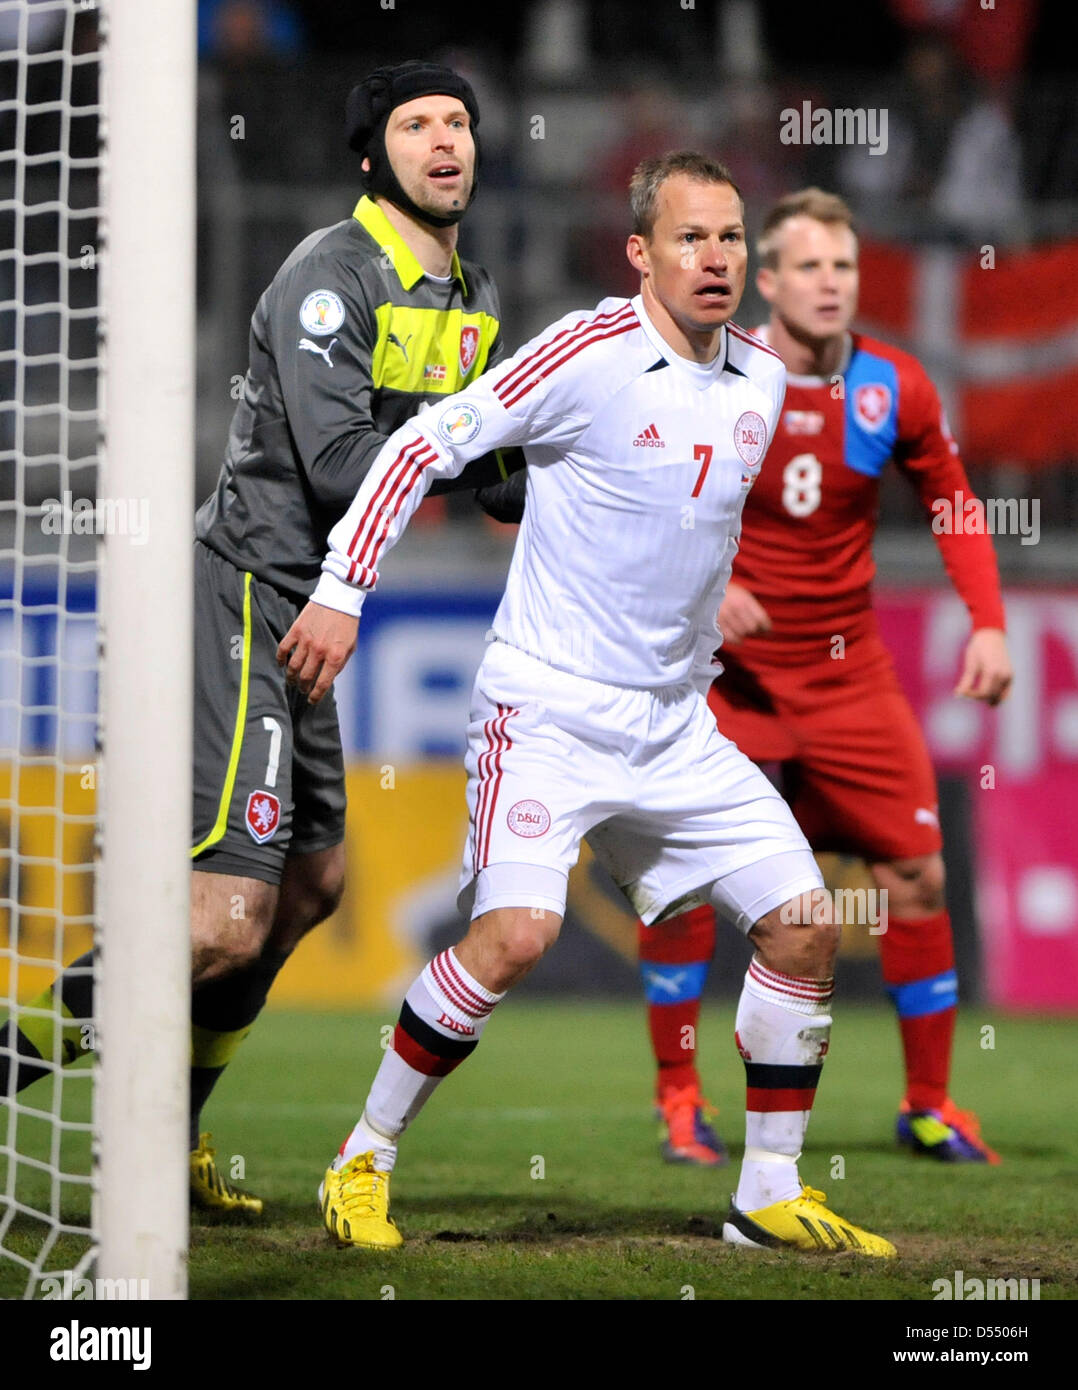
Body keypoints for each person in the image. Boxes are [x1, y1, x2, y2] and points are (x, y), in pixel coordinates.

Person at [280, 152, 897, 1257]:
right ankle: (361, 1161)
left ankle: (764, 1191)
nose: (711, 259)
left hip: (673, 726)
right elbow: (425, 442)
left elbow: (685, 518)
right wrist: (340, 592)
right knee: (516, 936)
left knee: (806, 930)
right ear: (640, 253)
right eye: (687, 239)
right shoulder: (587, 352)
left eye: (726, 240)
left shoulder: (760, 378)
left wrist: (716, 605)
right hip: (549, 712)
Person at [0, 60, 518, 1213]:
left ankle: (170, 1140)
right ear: (370, 156)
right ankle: (14, 1063)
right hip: (249, 592)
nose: (446, 141)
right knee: (225, 920)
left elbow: (489, 480)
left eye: (460, 123)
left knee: (311, 886)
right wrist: (471, 448)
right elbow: (342, 467)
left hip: (319, 608)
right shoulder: (329, 279)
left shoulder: (471, 297)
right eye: (416, 124)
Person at [635, 187, 1012, 1168]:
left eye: (843, 267)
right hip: (726, 685)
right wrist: (701, 590)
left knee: (916, 878)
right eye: (808, 266)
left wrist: (989, 624)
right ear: (769, 280)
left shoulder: (894, 387)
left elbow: (956, 503)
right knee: (680, 891)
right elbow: (634, 500)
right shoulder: (713, 375)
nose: (830, 284)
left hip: (849, 682)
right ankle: (680, 1098)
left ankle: (926, 1103)